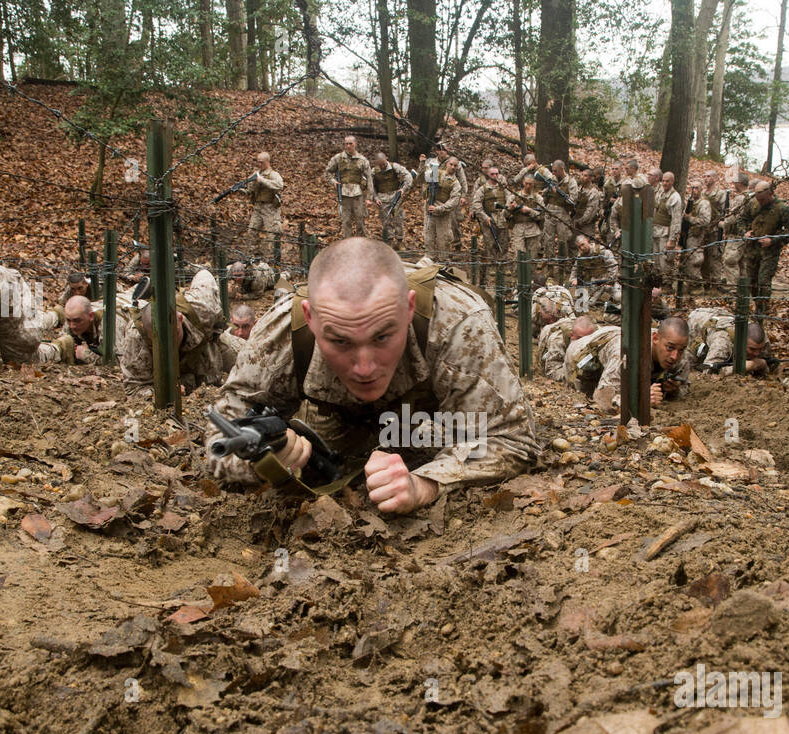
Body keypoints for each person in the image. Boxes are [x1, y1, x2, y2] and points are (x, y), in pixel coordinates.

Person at [205, 238, 539, 513]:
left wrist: (425, 483)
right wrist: (267, 460)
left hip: (425, 417)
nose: (364, 367)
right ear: (310, 317)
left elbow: (510, 437)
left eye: (382, 337)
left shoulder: (457, 321)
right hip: (338, 417)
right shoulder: (280, 333)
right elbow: (218, 442)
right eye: (340, 341)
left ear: (409, 309)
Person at [118, 268, 227, 397]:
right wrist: (162, 391)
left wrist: (216, 322)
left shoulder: (201, 307)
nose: (169, 345)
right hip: (165, 369)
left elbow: (204, 274)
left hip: (206, 343)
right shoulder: (135, 340)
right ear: (147, 335)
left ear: (180, 318)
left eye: (173, 336)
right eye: (160, 342)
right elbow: (134, 388)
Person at [565, 313, 690, 412]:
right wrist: (639, 399)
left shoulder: (680, 357)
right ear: (656, 338)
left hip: (610, 349)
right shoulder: (626, 353)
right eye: (670, 348)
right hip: (580, 357)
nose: (675, 356)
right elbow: (602, 399)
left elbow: (684, 388)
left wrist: (674, 390)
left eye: (681, 350)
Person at [735, 180, 789, 317]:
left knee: (764, 281)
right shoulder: (753, 203)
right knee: (751, 281)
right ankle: (757, 303)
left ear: (770, 194)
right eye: (758, 199)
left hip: (770, 251)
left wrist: (773, 240)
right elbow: (742, 220)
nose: (760, 202)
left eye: (763, 199)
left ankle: (762, 310)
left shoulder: (782, 208)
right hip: (752, 248)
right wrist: (745, 232)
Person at [34, 293, 132, 364]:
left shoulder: (110, 324)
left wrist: (87, 355)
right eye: (68, 320)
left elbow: (122, 362)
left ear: (91, 316)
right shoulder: (74, 314)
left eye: (77, 321)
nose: (72, 325)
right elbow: (65, 342)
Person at [686, 307, 771, 376]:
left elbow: (768, 366)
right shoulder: (722, 341)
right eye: (752, 349)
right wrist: (746, 366)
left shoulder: (763, 340)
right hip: (698, 321)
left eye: (759, 349)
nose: (757, 353)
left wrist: (762, 365)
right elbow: (708, 372)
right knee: (689, 364)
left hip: (725, 318)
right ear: (740, 342)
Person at [323, 136, 372, 238]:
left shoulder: (362, 160)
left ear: (355, 144)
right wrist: (334, 182)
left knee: (360, 221)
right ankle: (347, 244)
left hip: (358, 194)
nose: (348, 146)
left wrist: (369, 198)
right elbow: (328, 172)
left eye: (351, 144)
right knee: (346, 222)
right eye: (346, 144)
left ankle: (361, 244)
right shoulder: (338, 158)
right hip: (344, 194)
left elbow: (369, 179)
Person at [367, 151, 414, 250]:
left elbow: (408, 176)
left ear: (386, 159)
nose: (382, 166)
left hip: (395, 196)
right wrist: (375, 198)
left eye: (383, 163)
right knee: (386, 221)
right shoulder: (374, 171)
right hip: (382, 198)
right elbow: (371, 186)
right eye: (380, 164)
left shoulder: (394, 166)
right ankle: (390, 241)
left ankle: (400, 241)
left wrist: (403, 189)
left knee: (398, 220)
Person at [471, 165, 510, 272]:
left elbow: (510, 199)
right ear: (488, 175)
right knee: (490, 243)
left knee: (504, 242)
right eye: (492, 174)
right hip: (489, 218)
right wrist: (484, 217)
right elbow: (476, 204)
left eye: (497, 174)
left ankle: (503, 265)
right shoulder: (482, 189)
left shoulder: (503, 188)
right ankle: (492, 265)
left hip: (502, 218)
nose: (495, 176)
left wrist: (506, 212)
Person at [423, 156, 463, 257]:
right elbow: (424, 182)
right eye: (451, 164)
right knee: (428, 239)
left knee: (444, 241)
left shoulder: (456, 184)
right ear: (447, 164)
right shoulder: (436, 173)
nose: (453, 167)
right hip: (430, 211)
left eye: (455, 166)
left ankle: (443, 263)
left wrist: (439, 208)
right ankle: (429, 259)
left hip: (443, 215)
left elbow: (453, 202)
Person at [247, 152, 285, 259]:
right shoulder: (257, 173)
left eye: (261, 162)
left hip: (270, 208)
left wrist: (262, 180)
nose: (259, 165)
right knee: (252, 231)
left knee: (272, 234)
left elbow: (279, 185)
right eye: (258, 162)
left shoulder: (273, 174)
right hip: (258, 207)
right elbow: (250, 188)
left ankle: (273, 258)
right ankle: (253, 255)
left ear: (267, 162)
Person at [570, 234, 621, 311]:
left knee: (619, 297)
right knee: (589, 303)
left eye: (583, 244)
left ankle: (610, 302)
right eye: (579, 247)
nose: (582, 248)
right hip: (595, 281)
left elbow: (613, 265)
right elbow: (575, 269)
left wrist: (611, 279)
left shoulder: (601, 250)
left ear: (587, 241)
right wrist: (573, 279)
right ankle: (604, 303)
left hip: (608, 279)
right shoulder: (581, 256)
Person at [506, 174, 545, 274]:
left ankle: (530, 279)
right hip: (518, 229)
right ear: (523, 183)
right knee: (519, 256)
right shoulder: (514, 196)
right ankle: (518, 278)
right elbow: (504, 214)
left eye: (530, 184)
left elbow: (542, 215)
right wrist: (510, 209)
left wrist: (529, 211)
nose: (528, 186)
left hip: (533, 229)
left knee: (532, 257)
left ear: (533, 185)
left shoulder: (538, 198)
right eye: (526, 184)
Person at [681, 181, 714, 296]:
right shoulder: (690, 202)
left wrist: (690, 219)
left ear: (701, 189)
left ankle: (697, 285)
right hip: (687, 234)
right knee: (687, 260)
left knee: (695, 259)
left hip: (697, 235)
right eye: (692, 188)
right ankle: (690, 283)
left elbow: (705, 221)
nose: (694, 190)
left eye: (696, 188)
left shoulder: (703, 203)